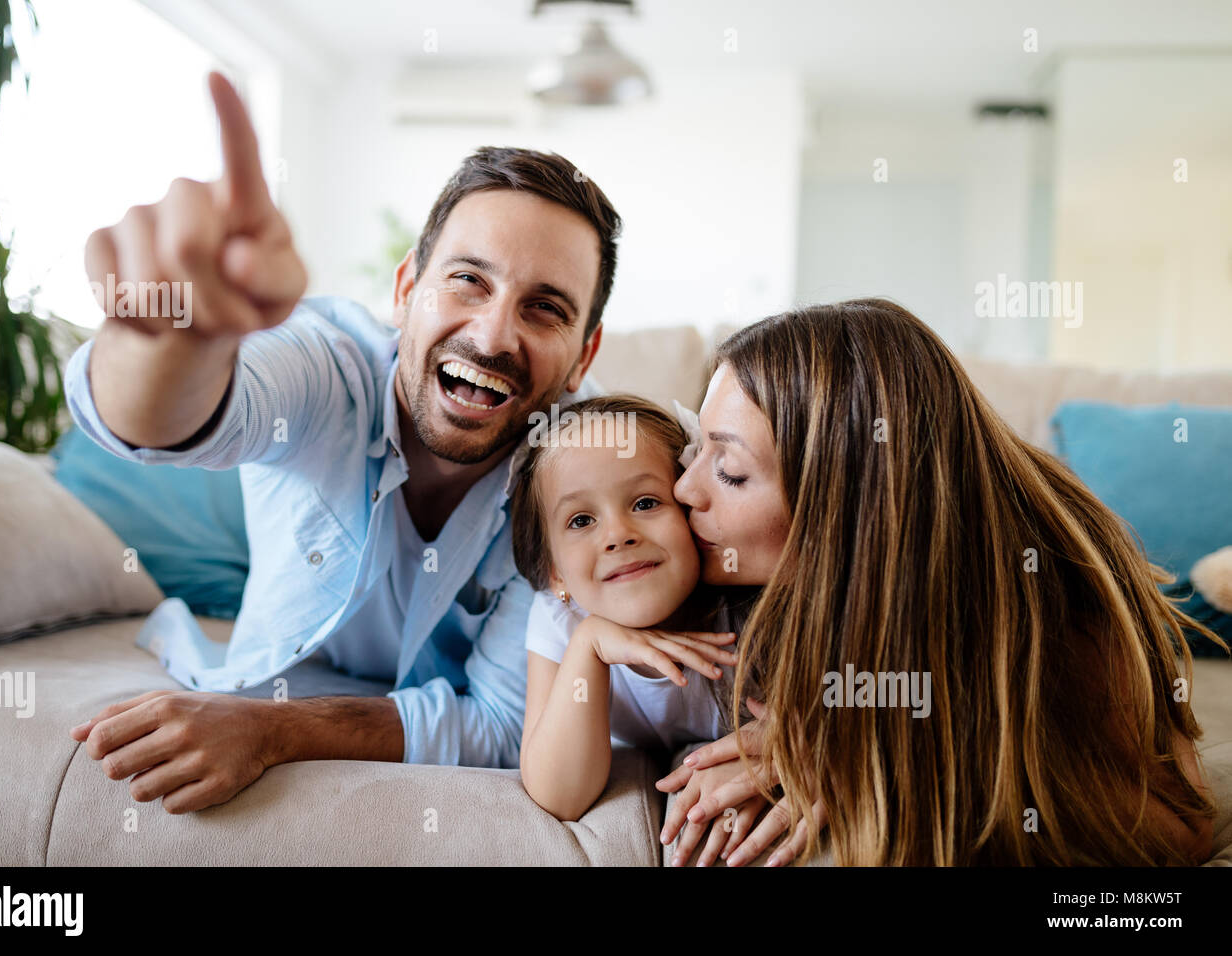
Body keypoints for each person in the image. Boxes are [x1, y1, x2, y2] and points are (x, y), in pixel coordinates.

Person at [63, 71, 620, 813]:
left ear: (585, 355)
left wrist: (273, 730)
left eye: (545, 309)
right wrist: (174, 338)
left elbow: (499, 722)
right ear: (405, 289)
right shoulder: (328, 367)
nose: (492, 337)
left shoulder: (588, 471)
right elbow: (165, 422)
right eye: (467, 280)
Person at [655, 298, 1221, 865]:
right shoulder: (705, 555)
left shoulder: (1054, 575)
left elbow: (1183, 826)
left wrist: (866, 753)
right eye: (698, 446)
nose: (685, 488)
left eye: (730, 471)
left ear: (850, 504)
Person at [509, 394, 740, 821]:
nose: (618, 535)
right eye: (581, 520)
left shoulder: (741, 601)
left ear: (692, 509)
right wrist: (589, 644)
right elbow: (560, 796)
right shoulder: (560, 620)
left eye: (645, 503)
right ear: (556, 573)